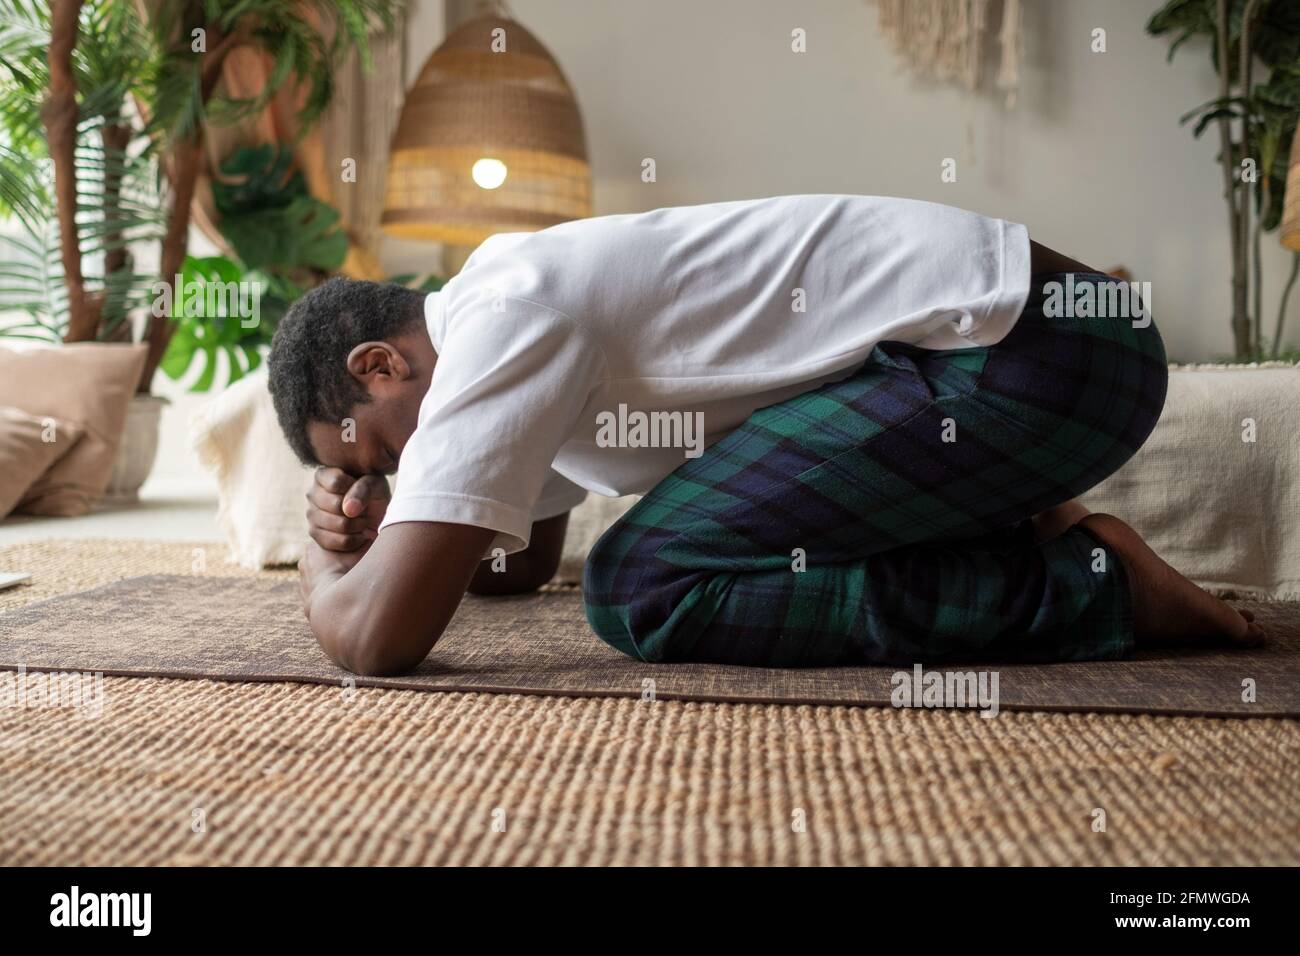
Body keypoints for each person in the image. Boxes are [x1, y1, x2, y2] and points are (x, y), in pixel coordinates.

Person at [267, 194, 1262, 675]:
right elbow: (516, 564)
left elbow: (376, 639)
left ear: (377, 366)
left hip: (1041, 355)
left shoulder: (501, 314)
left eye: (379, 456)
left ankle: (1091, 589)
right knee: (662, 554)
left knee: (641, 581)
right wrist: (391, 531)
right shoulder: (511, 316)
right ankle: (1035, 534)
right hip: (1051, 356)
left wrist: (327, 565)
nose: (386, 481)